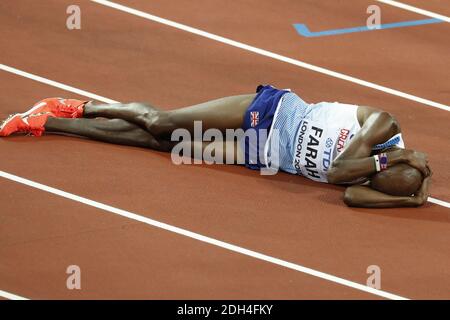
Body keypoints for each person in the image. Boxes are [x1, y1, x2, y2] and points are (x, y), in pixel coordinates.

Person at [0, 85, 431, 208]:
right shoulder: (383, 125)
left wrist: (411, 201)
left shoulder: (370, 176)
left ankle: (46, 122)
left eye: (377, 179)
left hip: (260, 154)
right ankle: (80, 106)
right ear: (390, 156)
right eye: (379, 173)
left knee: (156, 144)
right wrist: (381, 160)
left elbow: (351, 193)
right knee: (162, 121)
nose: (370, 178)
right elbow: (339, 173)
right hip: (270, 112)